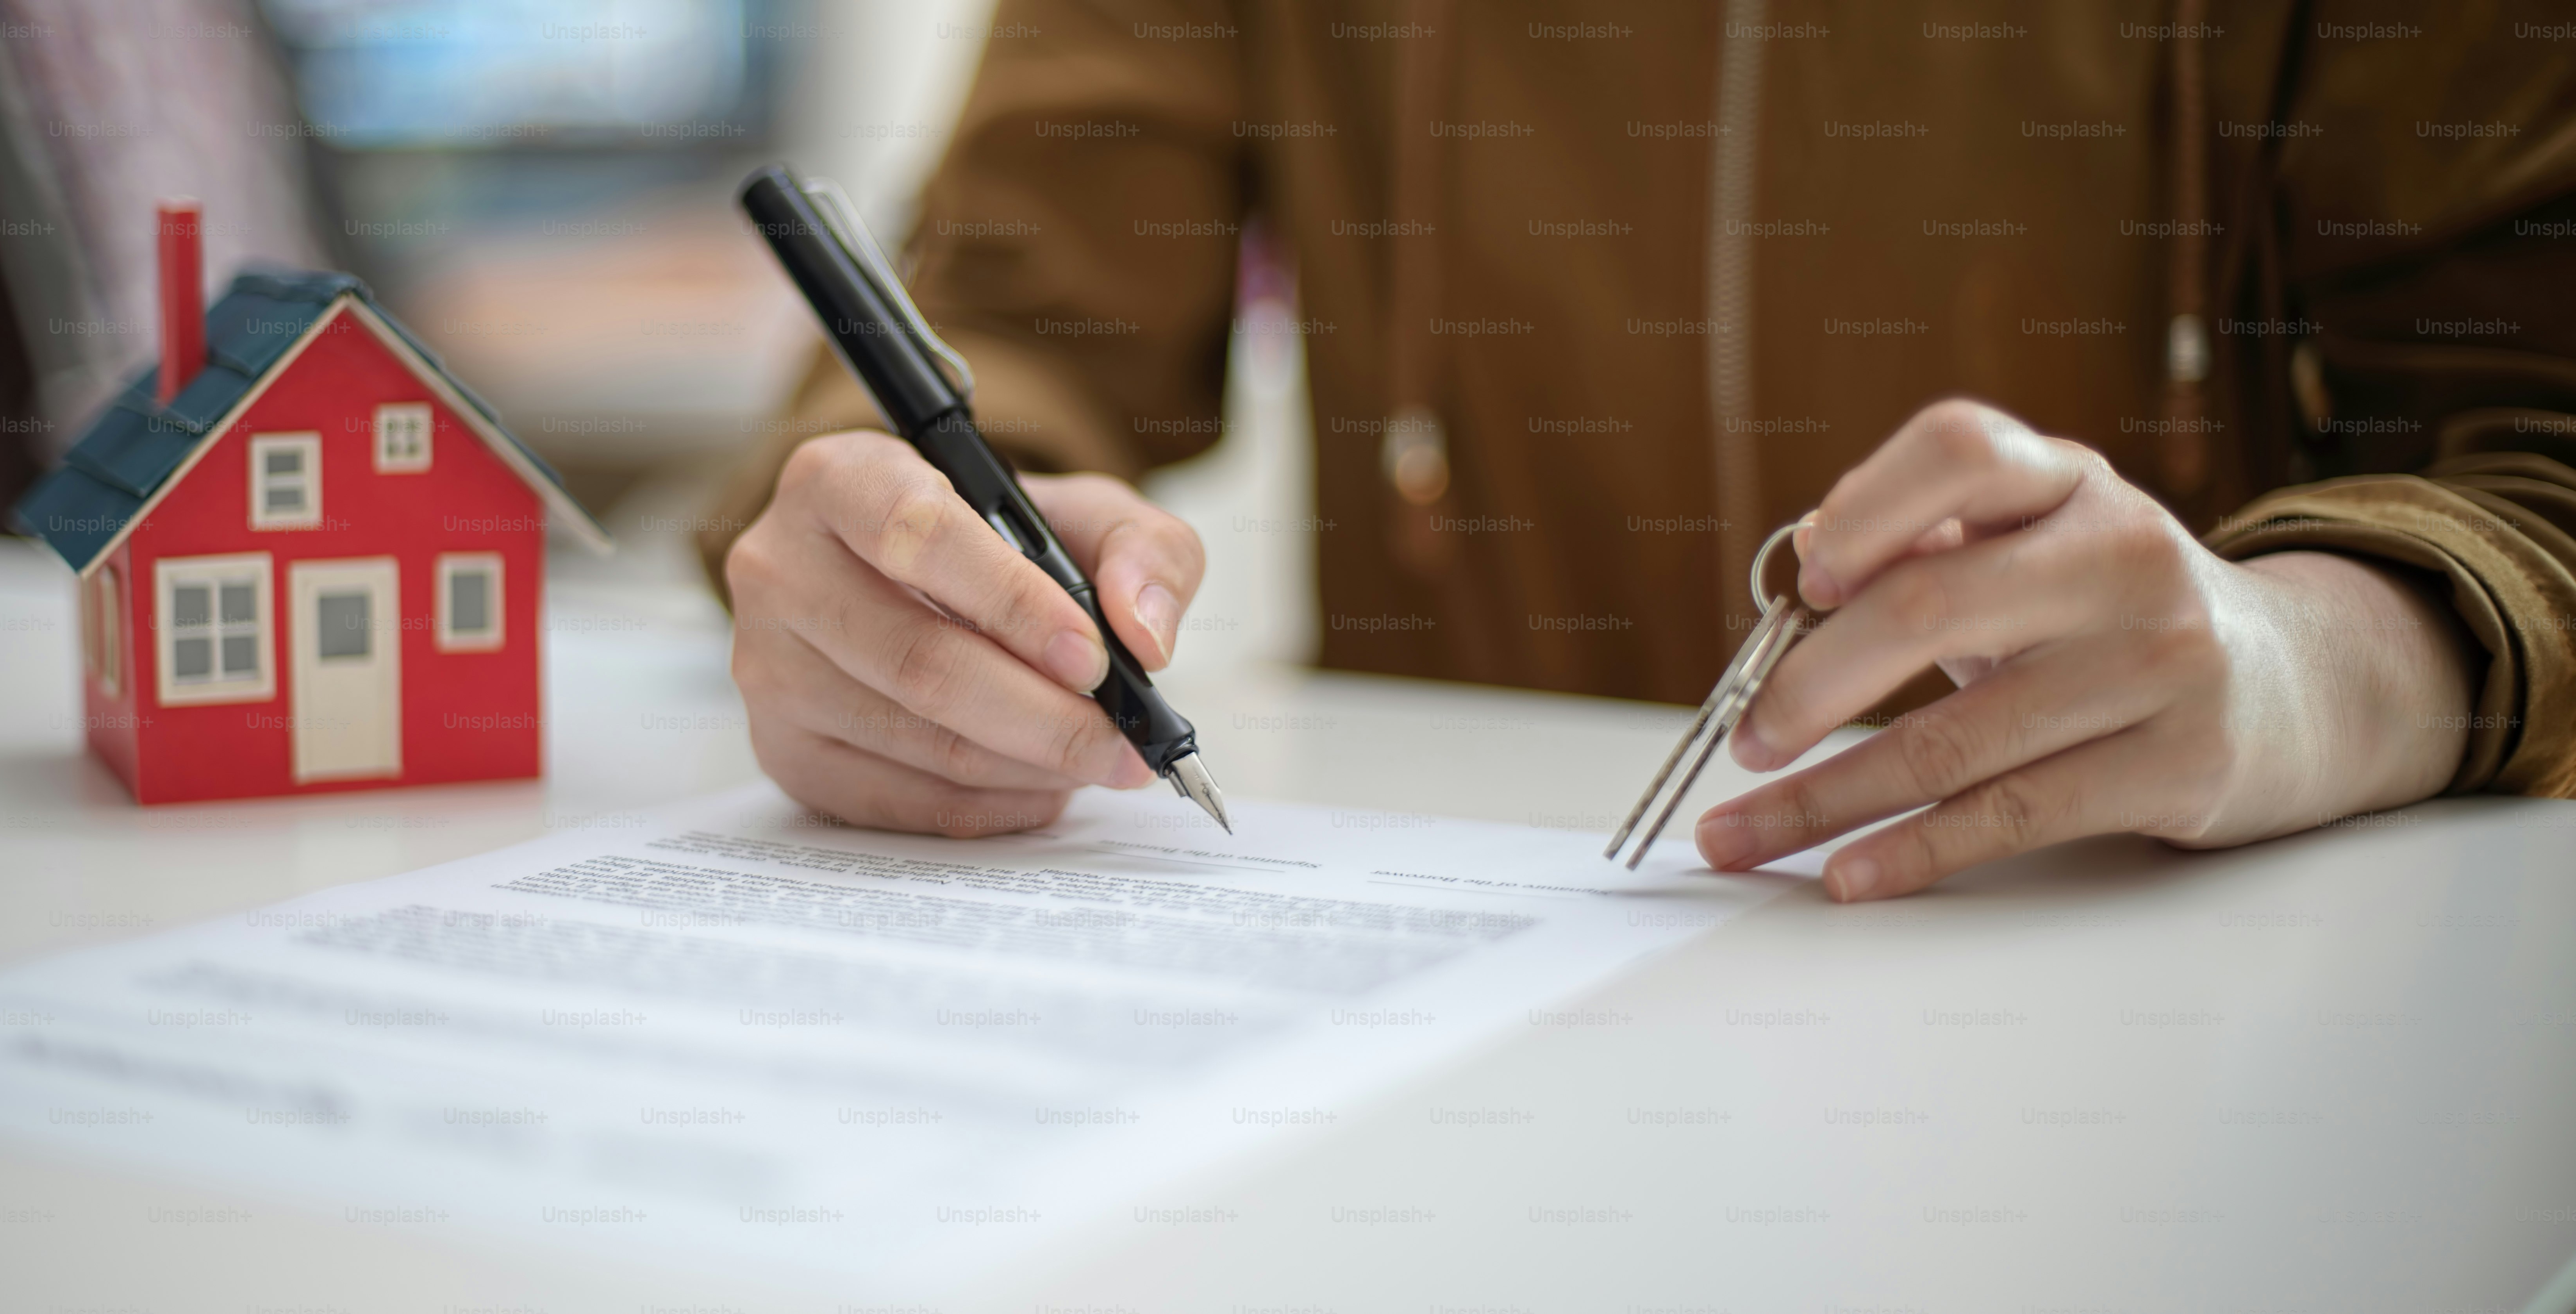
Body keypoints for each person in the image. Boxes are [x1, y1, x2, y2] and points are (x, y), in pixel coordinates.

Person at [699, 1, 2576, 901]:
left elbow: (2540, 439)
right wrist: (890, 573)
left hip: (2194, 1006)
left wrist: (2320, 656)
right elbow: (989, 337)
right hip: (1431, 1105)